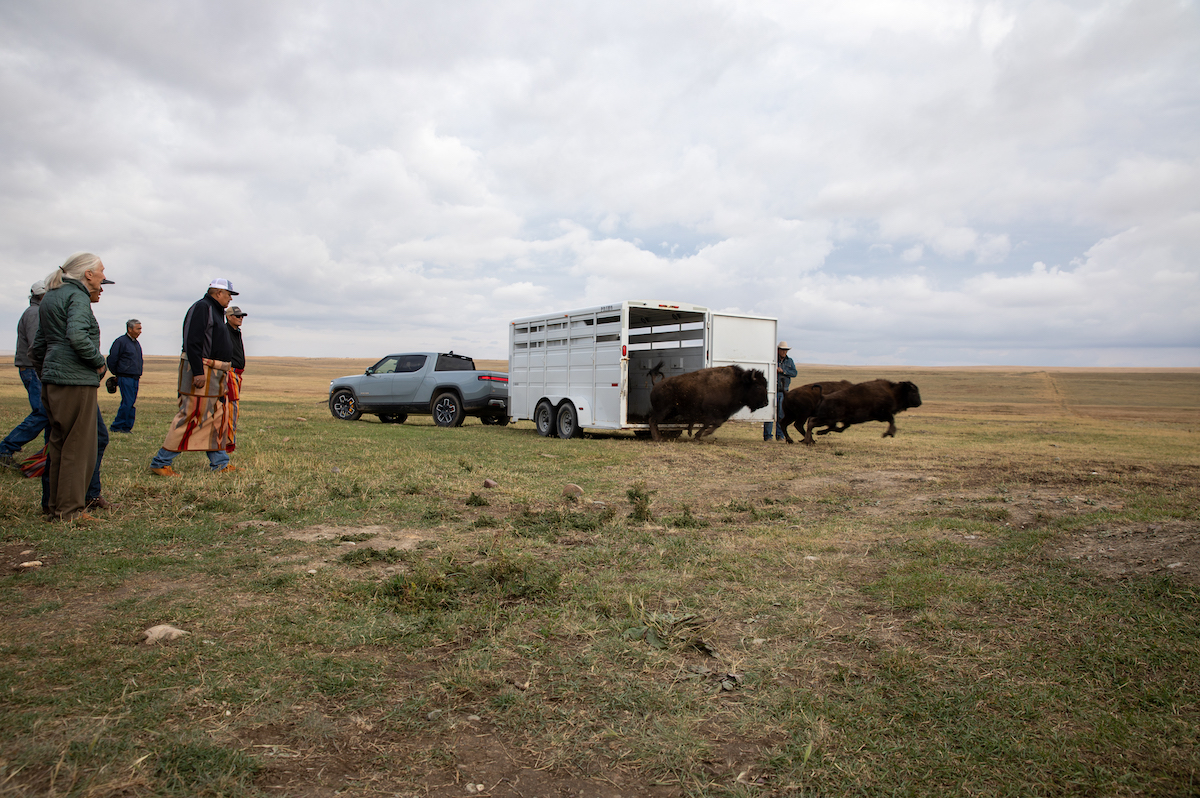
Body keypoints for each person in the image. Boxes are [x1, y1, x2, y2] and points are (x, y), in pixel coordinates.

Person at [29, 253, 111, 521]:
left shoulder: (51, 296)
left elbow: (38, 345)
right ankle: (71, 510)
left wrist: (47, 372)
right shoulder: (77, 296)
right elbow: (77, 336)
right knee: (78, 446)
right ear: (88, 274)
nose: (103, 276)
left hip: (53, 379)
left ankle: (55, 506)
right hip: (75, 380)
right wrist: (99, 362)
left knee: (58, 444)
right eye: (101, 271)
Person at [149, 278, 240, 475]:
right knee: (191, 415)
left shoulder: (215, 310)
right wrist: (198, 371)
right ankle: (161, 462)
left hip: (214, 373)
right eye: (228, 294)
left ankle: (220, 463)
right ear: (218, 293)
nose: (230, 299)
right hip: (202, 372)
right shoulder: (202, 307)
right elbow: (192, 340)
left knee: (216, 417)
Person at [0, 281, 49, 468]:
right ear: (43, 296)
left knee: (48, 412)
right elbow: (36, 345)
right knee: (42, 412)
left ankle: (50, 454)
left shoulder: (34, 312)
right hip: (33, 368)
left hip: (32, 368)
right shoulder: (35, 313)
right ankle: (5, 449)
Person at [106, 319, 144, 432]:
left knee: (131, 402)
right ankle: (117, 426)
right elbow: (112, 359)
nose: (140, 331)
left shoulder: (136, 343)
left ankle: (126, 427)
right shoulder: (120, 342)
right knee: (127, 402)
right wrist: (117, 373)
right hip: (125, 377)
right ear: (130, 329)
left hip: (135, 377)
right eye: (138, 329)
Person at [224, 306, 247, 454]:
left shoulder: (236, 332)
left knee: (232, 407)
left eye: (241, 316)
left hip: (237, 374)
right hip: (229, 373)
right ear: (228, 317)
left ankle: (228, 442)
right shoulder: (224, 331)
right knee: (232, 408)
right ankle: (227, 444)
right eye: (237, 316)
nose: (240, 318)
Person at [763, 341, 797, 442]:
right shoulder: (773, 360)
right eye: (782, 350)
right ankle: (768, 436)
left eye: (785, 350)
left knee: (781, 414)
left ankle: (780, 436)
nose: (784, 352)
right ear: (778, 350)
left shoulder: (789, 361)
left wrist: (783, 371)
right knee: (770, 413)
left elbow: (794, 373)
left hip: (784, 391)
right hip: (772, 390)